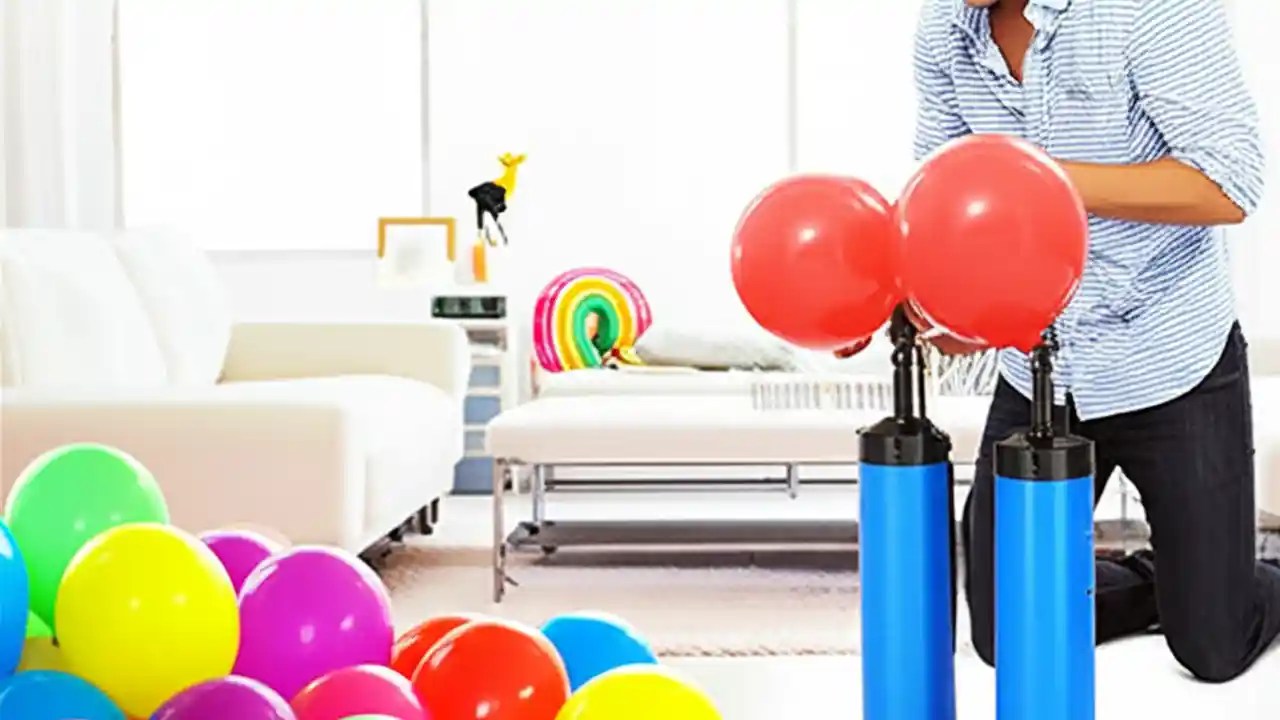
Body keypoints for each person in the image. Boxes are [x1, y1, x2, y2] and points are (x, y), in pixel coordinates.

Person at [896, 0, 1280, 682]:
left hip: (1169, 357)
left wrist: (1034, 178)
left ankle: (1218, 585)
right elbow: (943, 199)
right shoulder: (944, 28)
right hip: (1039, 365)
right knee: (1008, 633)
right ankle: (1175, 578)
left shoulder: (1149, 8)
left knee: (1215, 647)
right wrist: (944, 312)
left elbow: (1230, 181)